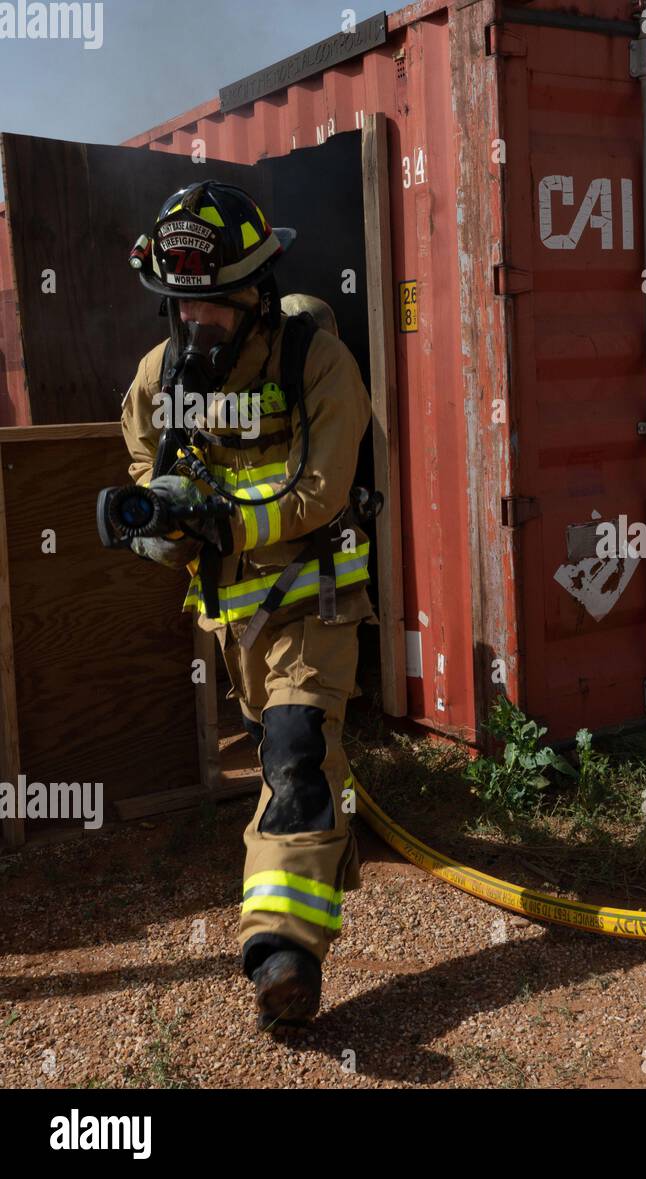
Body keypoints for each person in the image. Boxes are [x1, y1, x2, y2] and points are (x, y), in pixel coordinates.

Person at [119, 180, 373, 1031]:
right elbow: (142, 467)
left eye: (218, 308)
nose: (200, 327)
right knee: (297, 760)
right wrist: (159, 521)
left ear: (259, 292)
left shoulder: (319, 365)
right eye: (184, 310)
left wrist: (219, 519)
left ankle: (281, 952)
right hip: (234, 623)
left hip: (314, 603)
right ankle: (333, 835)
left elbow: (318, 492)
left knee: (296, 752)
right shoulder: (160, 378)